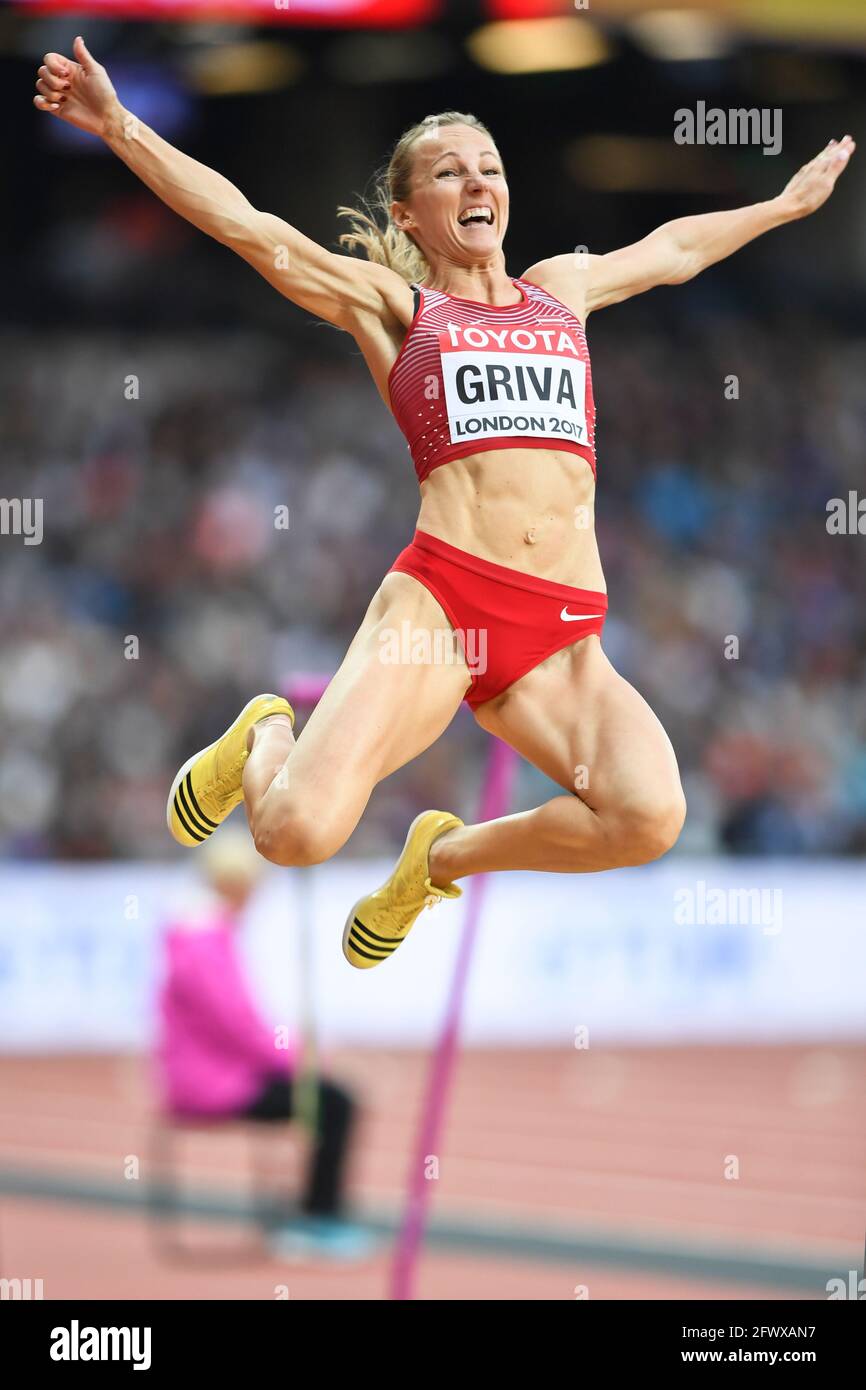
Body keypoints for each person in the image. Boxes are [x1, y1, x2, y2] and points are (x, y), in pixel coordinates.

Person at [34, 40, 855, 971]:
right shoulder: (399, 310)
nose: (478, 182)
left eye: (491, 167)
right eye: (449, 171)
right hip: (444, 606)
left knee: (649, 816)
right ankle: (265, 735)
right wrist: (118, 125)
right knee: (293, 834)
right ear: (408, 211)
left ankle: (441, 858)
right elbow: (249, 226)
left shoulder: (560, 291)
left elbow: (672, 252)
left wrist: (784, 206)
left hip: (559, 632)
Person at [155, 826, 375, 1260]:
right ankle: (317, 1219)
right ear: (234, 885)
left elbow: (238, 1027)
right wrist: (303, 1060)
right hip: (215, 1084)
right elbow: (236, 1027)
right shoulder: (203, 944)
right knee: (336, 1102)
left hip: (216, 1075)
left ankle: (314, 1213)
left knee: (329, 1098)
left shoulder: (201, 936)